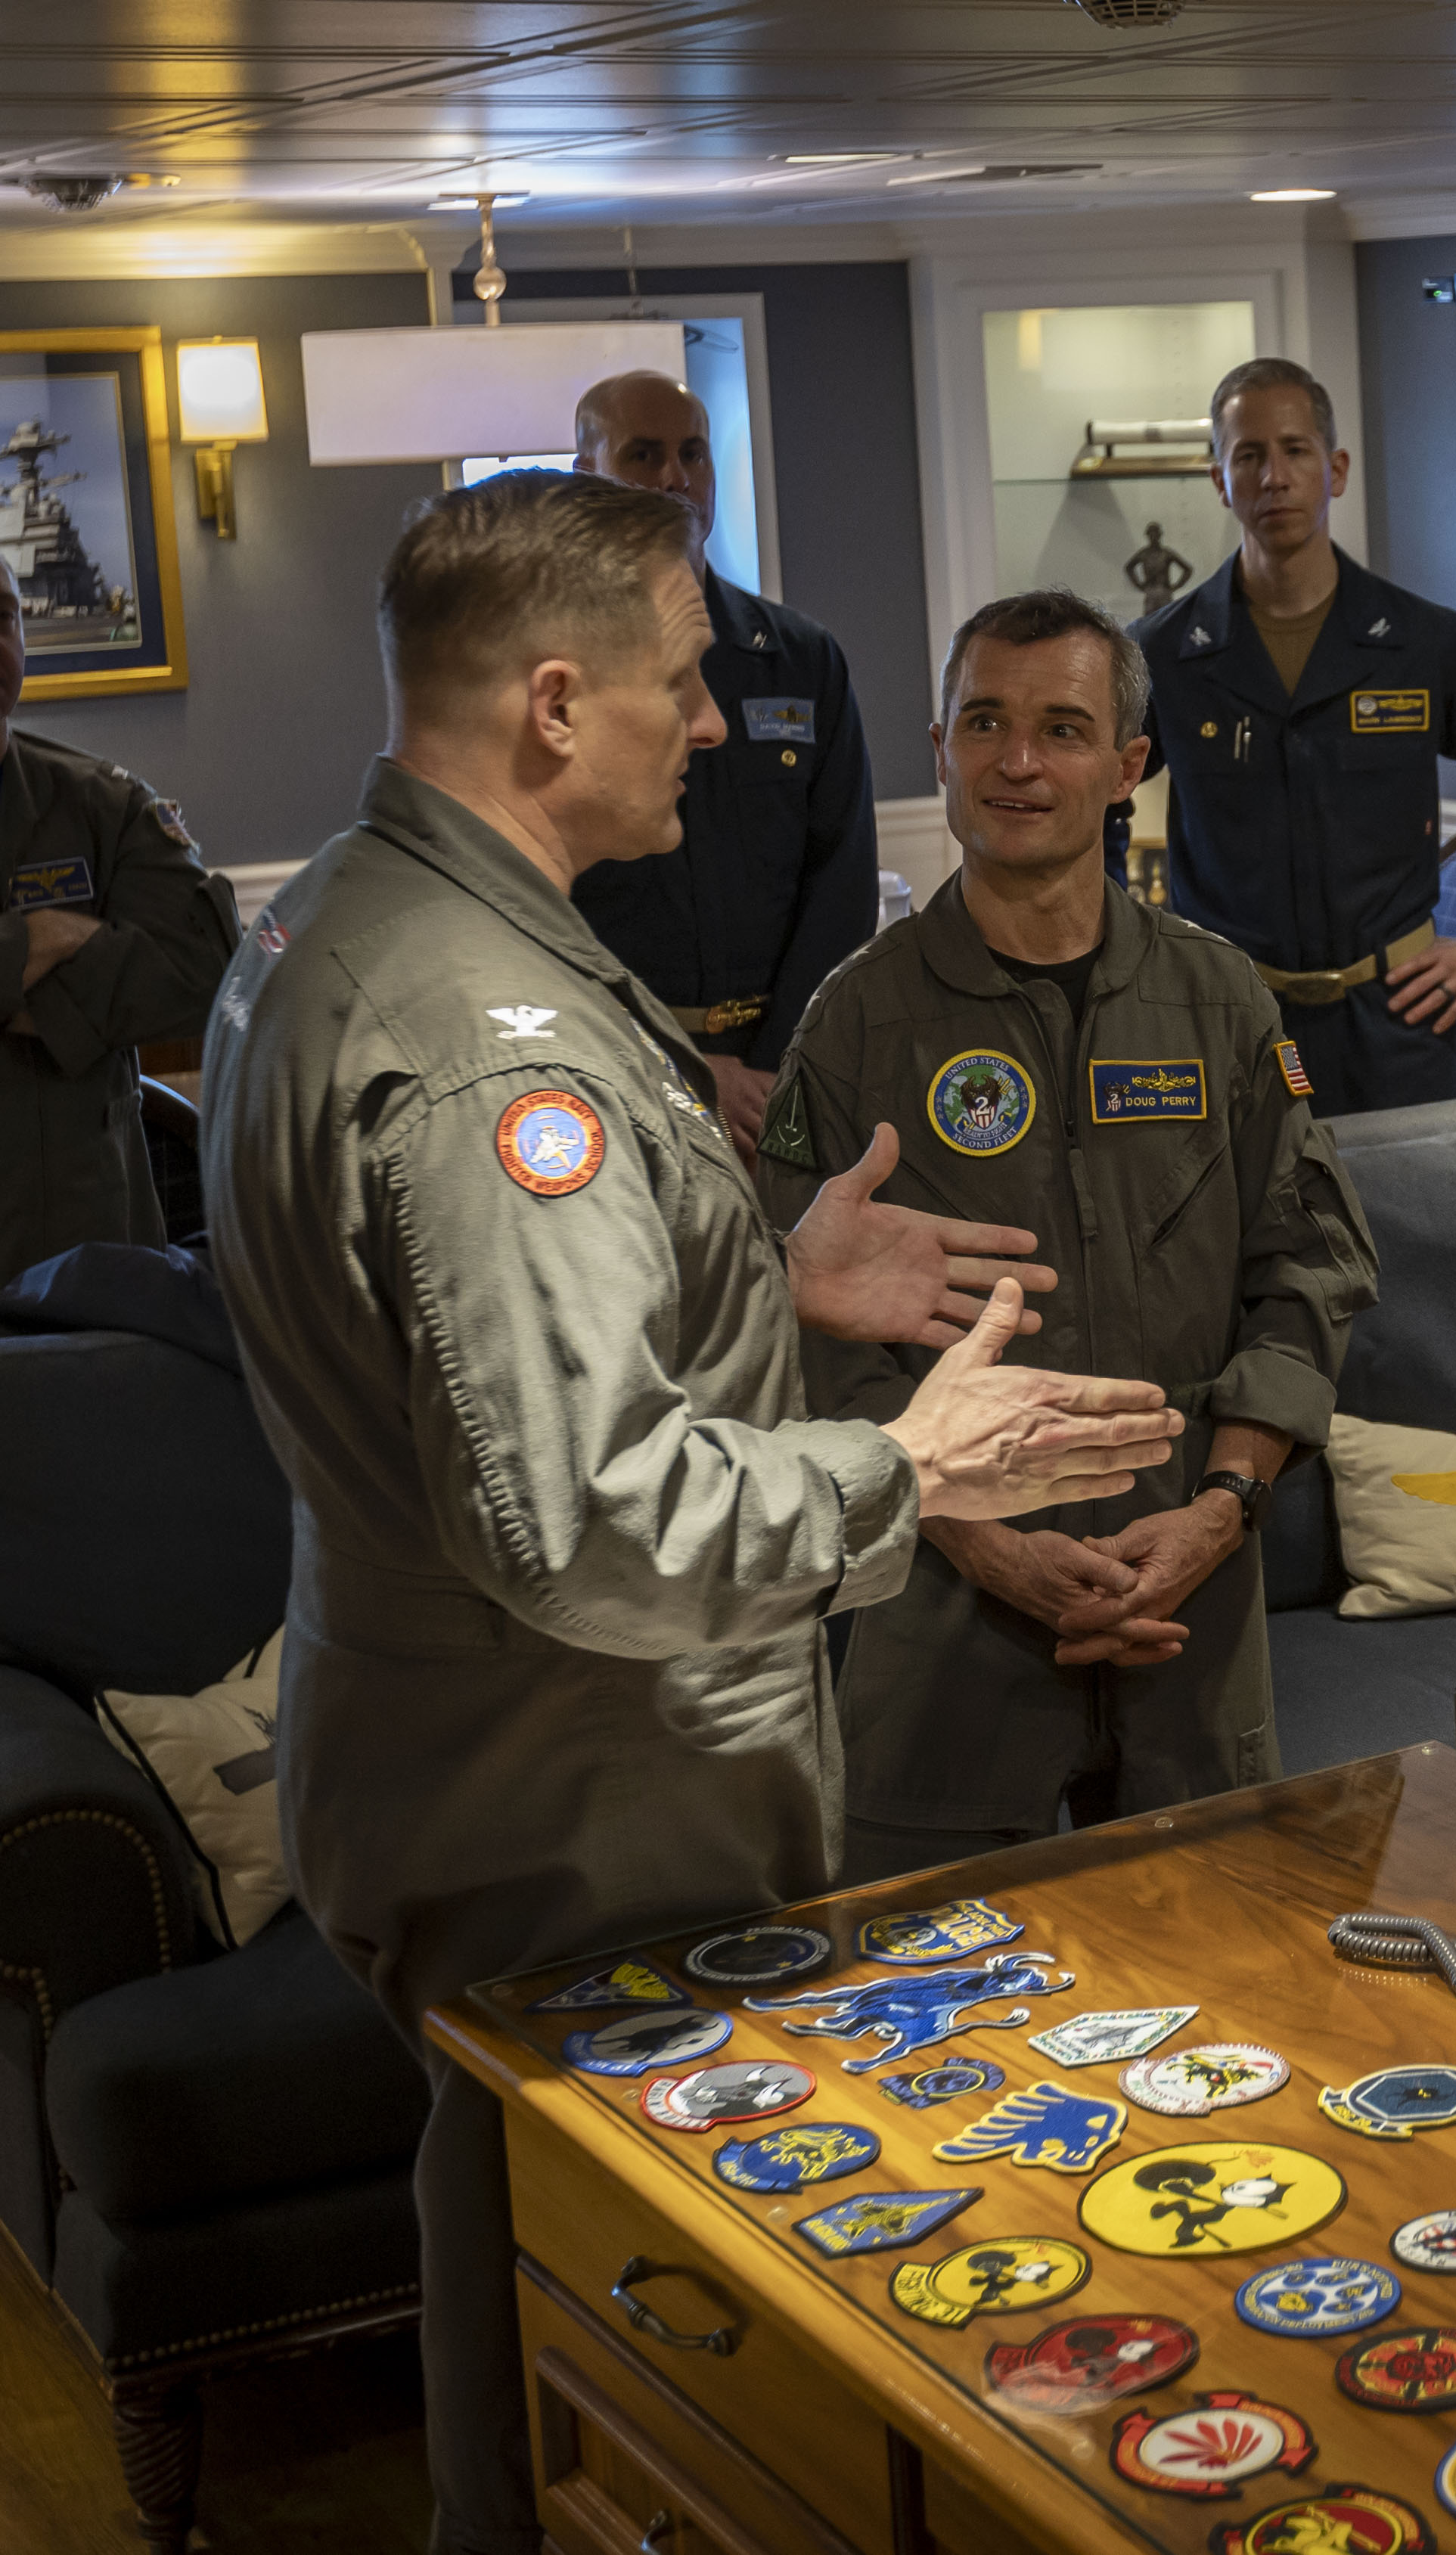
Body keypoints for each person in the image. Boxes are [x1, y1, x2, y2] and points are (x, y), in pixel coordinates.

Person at [200, 470, 1190, 2555]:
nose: (719, 728)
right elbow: (586, 1517)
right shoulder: (490, 1045)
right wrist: (905, 1467)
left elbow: (464, 1328)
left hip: (456, 1753)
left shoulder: (353, 916)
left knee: (513, 2234)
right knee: (611, 2322)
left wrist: (769, 1265)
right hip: (570, 1783)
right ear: (554, 704)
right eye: (678, 685)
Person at [758, 588, 1377, 1880]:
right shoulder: (858, 1022)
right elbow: (799, 1332)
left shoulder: (1218, 997)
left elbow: (1309, 1263)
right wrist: (986, 1544)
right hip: (940, 1622)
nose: (1019, 761)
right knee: (925, 2024)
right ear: (939, 749)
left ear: (1128, 771)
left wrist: (1221, 1510)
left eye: (1061, 726)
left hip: (1189, 1608)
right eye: (983, 721)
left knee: (1222, 1996)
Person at [1128, 355, 1456, 1115]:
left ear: (1335, 470)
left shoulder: (1424, 642)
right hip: (1230, 1026)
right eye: (1249, 456)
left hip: (1397, 1029)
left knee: (1413, 1234)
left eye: (1296, 451)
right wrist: (1122, 957)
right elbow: (1092, 802)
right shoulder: (1164, 655)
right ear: (1219, 480)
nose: (1274, 477)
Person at [566, 368, 877, 1138]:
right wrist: (675, 1064)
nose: (674, 477)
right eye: (643, 454)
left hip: (789, 1070)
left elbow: (841, 874)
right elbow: (544, 895)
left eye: (693, 454)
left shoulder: (801, 658)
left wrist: (780, 1065)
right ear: (587, 476)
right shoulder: (556, 665)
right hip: (614, 1065)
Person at [0, 551, 238, 1276]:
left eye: (0, 619)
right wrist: (35, 941)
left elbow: (208, 971)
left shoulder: (102, 806)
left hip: (87, 1262)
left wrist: (42, 1008)